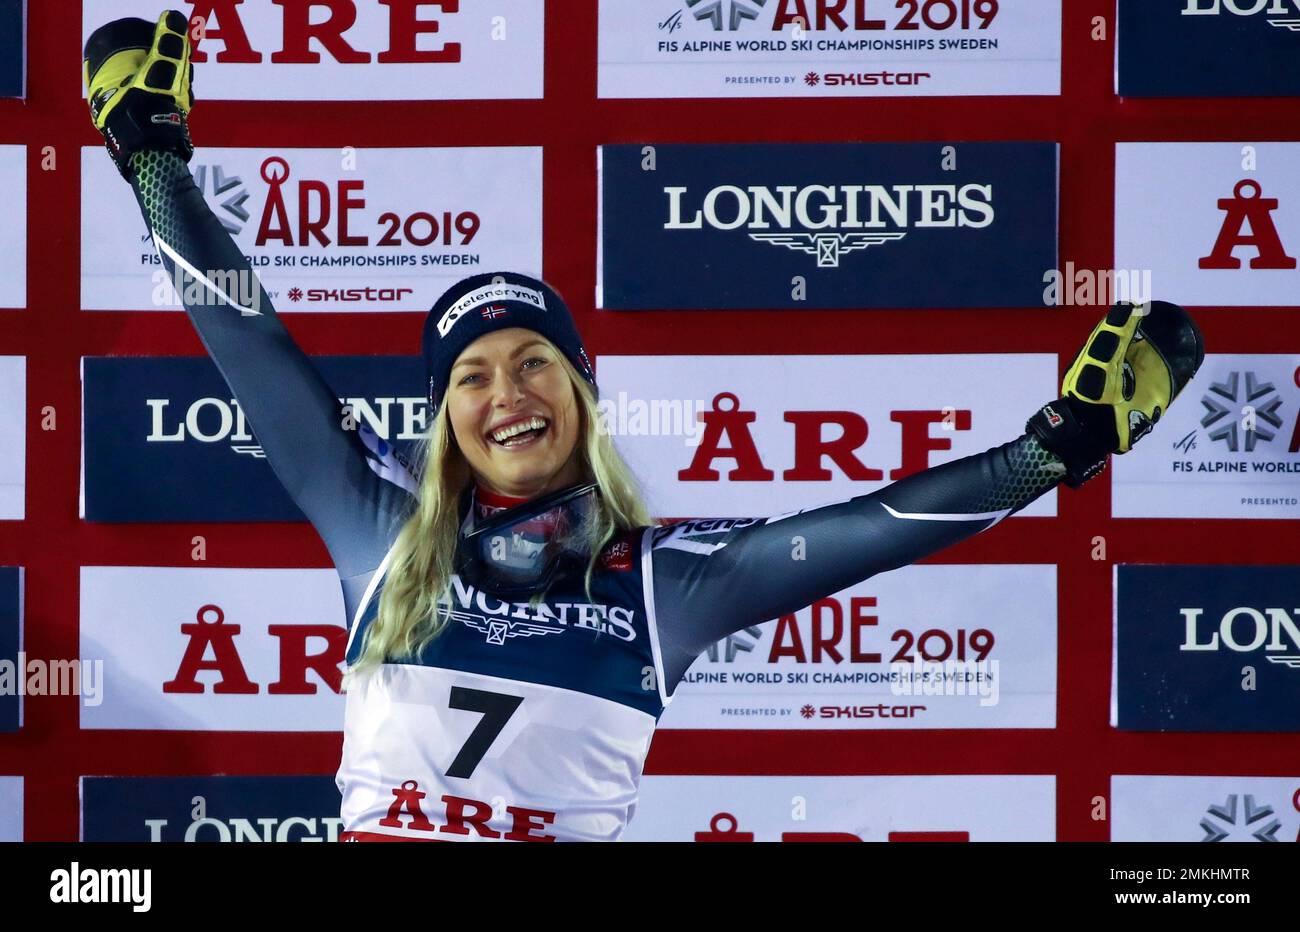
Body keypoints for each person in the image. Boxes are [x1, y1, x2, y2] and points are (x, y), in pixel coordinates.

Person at [83, 13, 1204, 843]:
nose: (507, 391)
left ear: (582, 391)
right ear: (445, 418)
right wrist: (155, 162)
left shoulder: (666, 582)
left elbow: (877, 526)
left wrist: (1052, 447)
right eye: (472, 375)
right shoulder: (377, 531)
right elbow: (249, 343)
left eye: (535, 361)